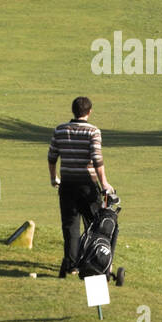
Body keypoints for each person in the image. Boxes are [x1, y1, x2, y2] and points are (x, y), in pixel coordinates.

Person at [48, 96, 113, 278]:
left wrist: (54, 178)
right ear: (89, 111)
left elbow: (52, 156)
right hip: (87, 185)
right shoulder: (93, 131)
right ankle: (94, 261)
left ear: (73, 111)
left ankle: (71, 265)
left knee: (70, 227)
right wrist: (104, 183)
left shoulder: (60, 130)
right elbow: (96, 159)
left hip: (67, 184)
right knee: (96, 225)